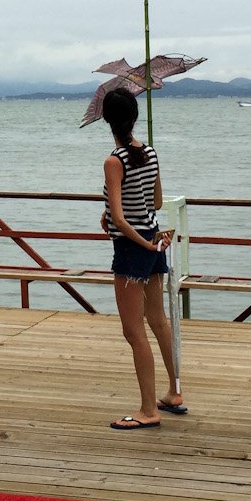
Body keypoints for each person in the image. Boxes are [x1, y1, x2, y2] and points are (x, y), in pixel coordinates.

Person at [99, 86, 186, 430]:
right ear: (134, 118)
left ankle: (148, 410)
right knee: (158, 320)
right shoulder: (150, 153)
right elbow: (157, 202)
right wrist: (146, 238)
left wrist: (139, 241)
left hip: (134, 250)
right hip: (151, 240)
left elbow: (121, 219)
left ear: (107, 120)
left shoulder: (113, 161)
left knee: (134, 331)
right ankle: (174, 392)